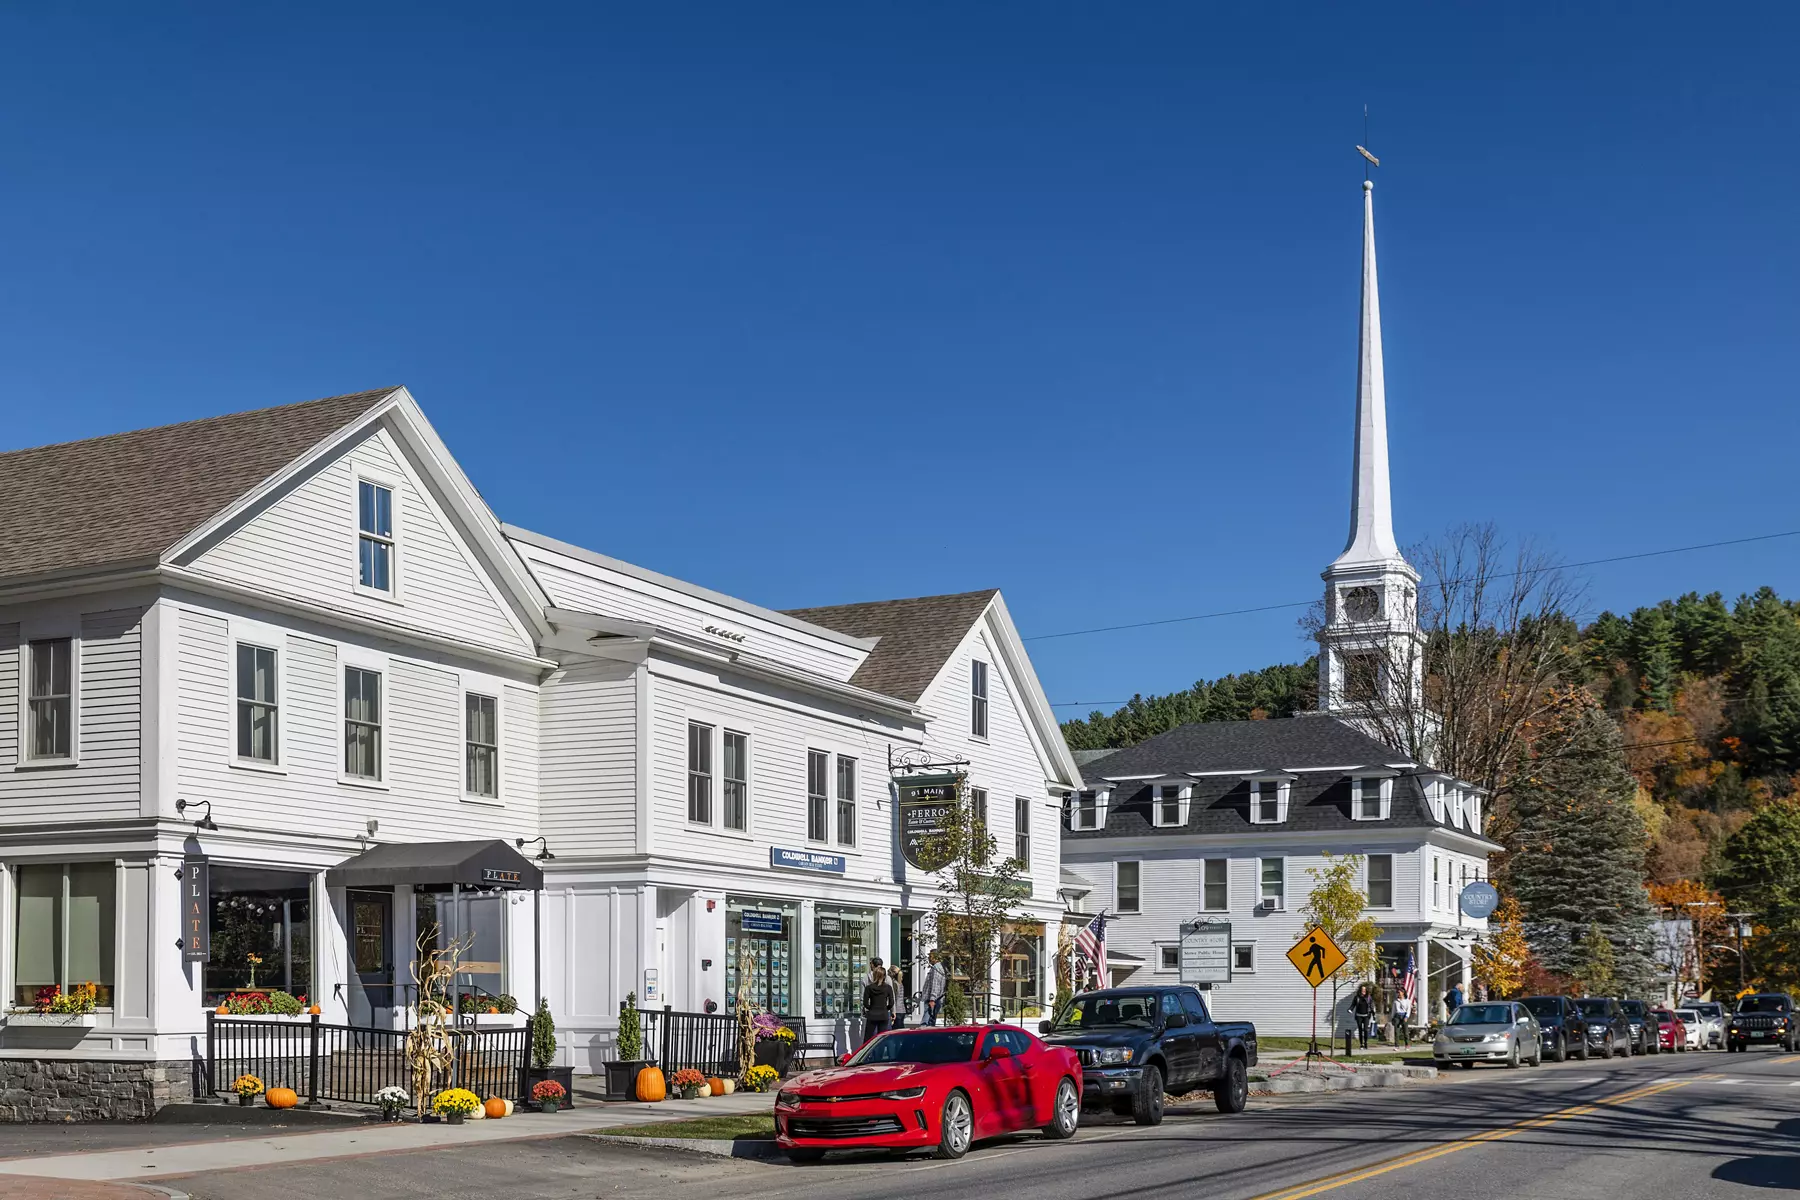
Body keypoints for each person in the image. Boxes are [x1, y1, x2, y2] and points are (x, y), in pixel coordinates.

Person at [860, 958, 894, 1044]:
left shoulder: (869, 988)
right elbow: (891, 1002)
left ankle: (869, 1056)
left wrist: (870, 1008)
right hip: (883, 1014)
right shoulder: (888, 987)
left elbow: (865, 1002)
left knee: (869, 1038)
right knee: (883, 1037)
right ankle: (883, 1055)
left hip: (872, 1014)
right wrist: (887, 1008)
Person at [921, 950, 949, 1026]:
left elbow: (935, 984)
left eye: (930, 956)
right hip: (935, 999)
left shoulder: (936, 968)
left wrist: (932, 999)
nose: (929, 958)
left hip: (933, 1000)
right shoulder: (939, 967)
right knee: (931, 1020)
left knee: (926, 1022)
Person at [1351, 983, 1375, 1048]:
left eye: (1364, 990)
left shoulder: (1369, 997)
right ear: (1360, 990)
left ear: (1366, 990)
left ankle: (1365, 1043)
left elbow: (1372, 1006)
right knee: (1360, 1030)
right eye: (1362, 989)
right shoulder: (1357, 997)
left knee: (1365, 1029)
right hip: (1359, 1015)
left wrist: (1373, 1013)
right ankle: (1361, 1044)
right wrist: (1350, 1009)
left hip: (1366, 1015)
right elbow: (1353, 1005)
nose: (1363, 991)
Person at [888, 965, 909, 1029]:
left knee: (896, 1029)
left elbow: (893, 997)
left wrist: (892, 1010)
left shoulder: (894, 983)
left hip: (896, 1010)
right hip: (901, 1009)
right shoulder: (900, 983)